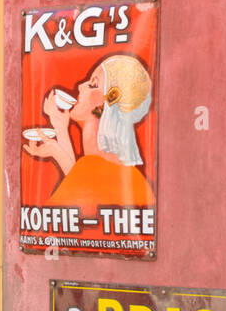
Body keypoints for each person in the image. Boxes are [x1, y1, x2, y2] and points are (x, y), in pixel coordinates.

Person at [22, 55, 154, 212]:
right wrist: (60, 129)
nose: (80, 86)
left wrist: (57, 149)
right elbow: (81, 184)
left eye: (93, 85)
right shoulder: (107, 168)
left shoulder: (100, 168)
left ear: (106, 103)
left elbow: (80, 199)